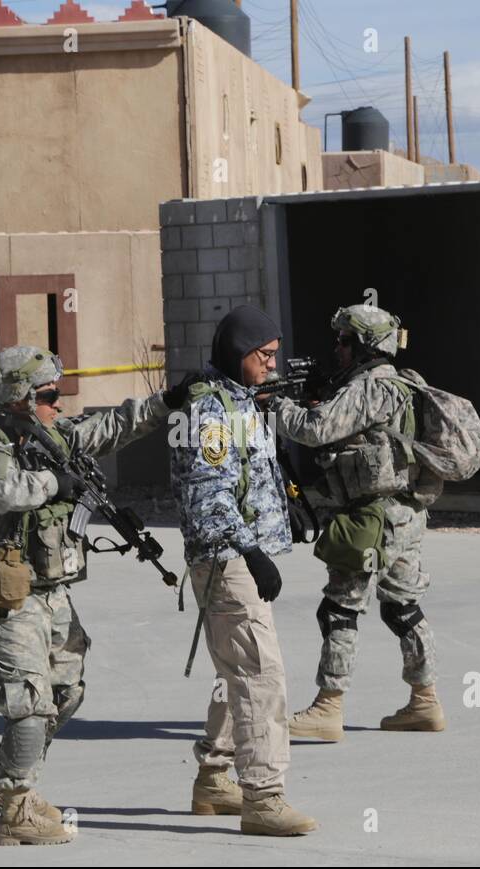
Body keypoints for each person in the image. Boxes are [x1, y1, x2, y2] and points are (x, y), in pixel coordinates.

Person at [0, 346, 187, 846]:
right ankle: (16, 806)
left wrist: (167, 402)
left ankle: (15, 777)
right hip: (6, 592)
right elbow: (1, 492)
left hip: (51, 589)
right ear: (19, 398)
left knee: (66, 690)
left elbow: (113, 427)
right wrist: (57, 482)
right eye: (50, 395)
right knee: (29, 701)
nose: (60, 402)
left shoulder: (54, 437)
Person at [169, 305, 317, 837]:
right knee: (261, 676)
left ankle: (213, 778)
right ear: (239, 354)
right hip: (228, 559)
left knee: (236, 670)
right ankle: (264, 796)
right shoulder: (210, 413)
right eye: (265, 357)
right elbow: (208, 494)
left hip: (240, 556)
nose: (273, 367)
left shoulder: (237, 401)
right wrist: (249, 552)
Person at [267, 305, 445, 742]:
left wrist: (277, 407)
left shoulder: (368, 387)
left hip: (370, 516)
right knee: (403, 607)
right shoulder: (407, 383)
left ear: (366, 345)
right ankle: (425, 700)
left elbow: (315, 429)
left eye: (345, 341)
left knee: (339, 608)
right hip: (405, 512)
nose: (338, 349)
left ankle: (328, 708)